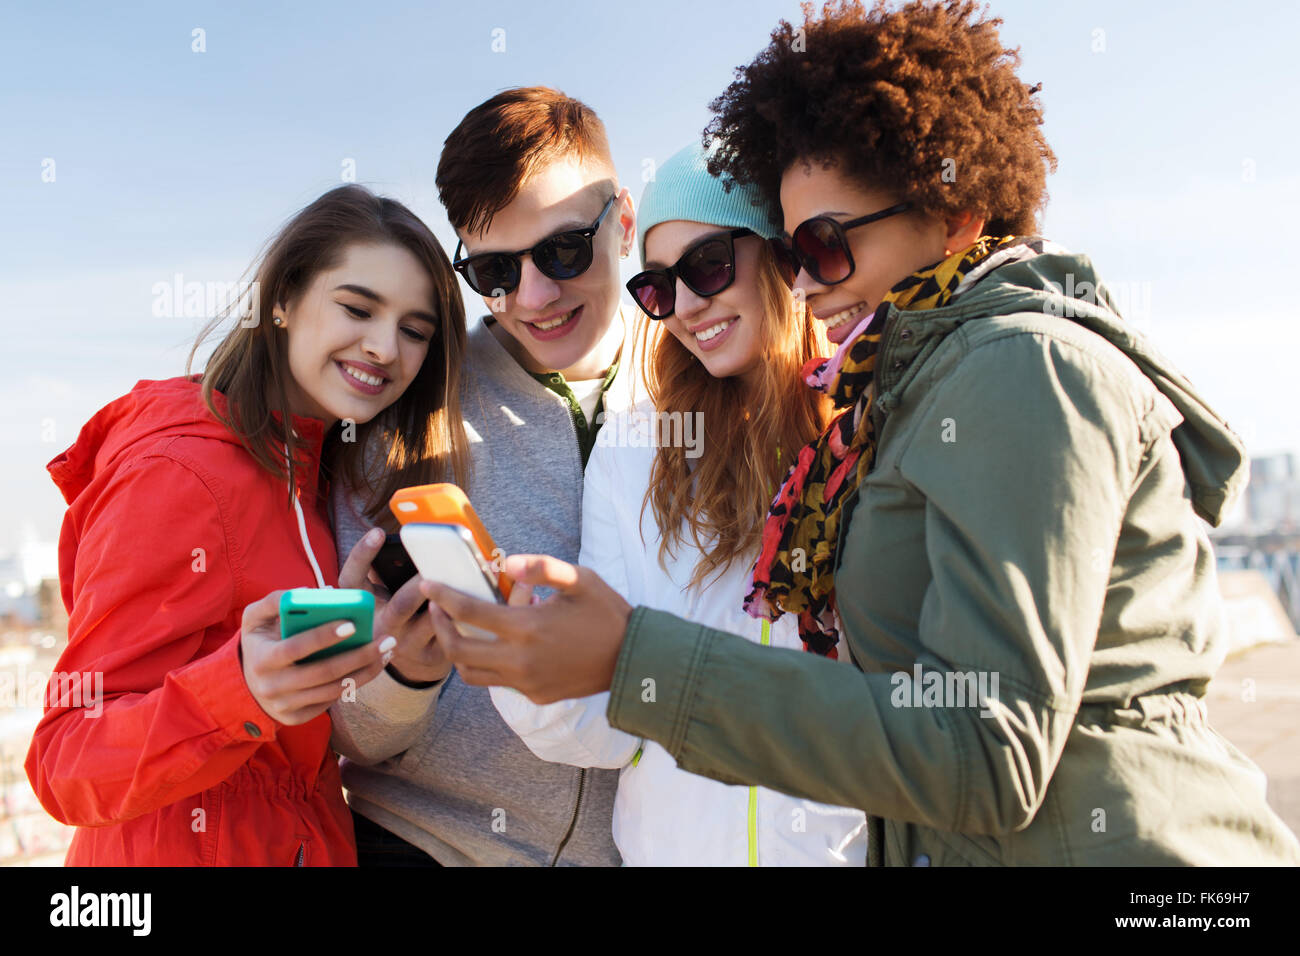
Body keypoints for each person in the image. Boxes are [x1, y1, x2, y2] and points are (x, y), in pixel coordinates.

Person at [420, 0, 1300, 865]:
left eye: (822, 246)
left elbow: (982, 746)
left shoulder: (994, 376)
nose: (811, 280)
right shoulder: (891, 399)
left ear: (953, 213)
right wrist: (527, 652)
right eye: (659, 286)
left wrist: (635, 655)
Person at [25, 184, 468, 865]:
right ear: (283, 301)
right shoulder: (181, 473)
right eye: (357, 307)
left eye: (414, 330)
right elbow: (65, 761)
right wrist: (238, 689)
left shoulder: (313, 465)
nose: (384, 347)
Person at [490, 143, 867, 865]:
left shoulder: (874, 426)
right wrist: (519, 661)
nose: (686, 307)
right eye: (659, 288)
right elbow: (609, 733)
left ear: (781, 256)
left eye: (709, 265)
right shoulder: (636, 454)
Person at [328, 87, 638, 866]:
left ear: (624, 223)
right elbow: (348, 729)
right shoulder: (405, 412)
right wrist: (405, 674)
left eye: (564, 250)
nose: (535, 297)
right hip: (422, 844)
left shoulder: (709, 385)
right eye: (497, 270)